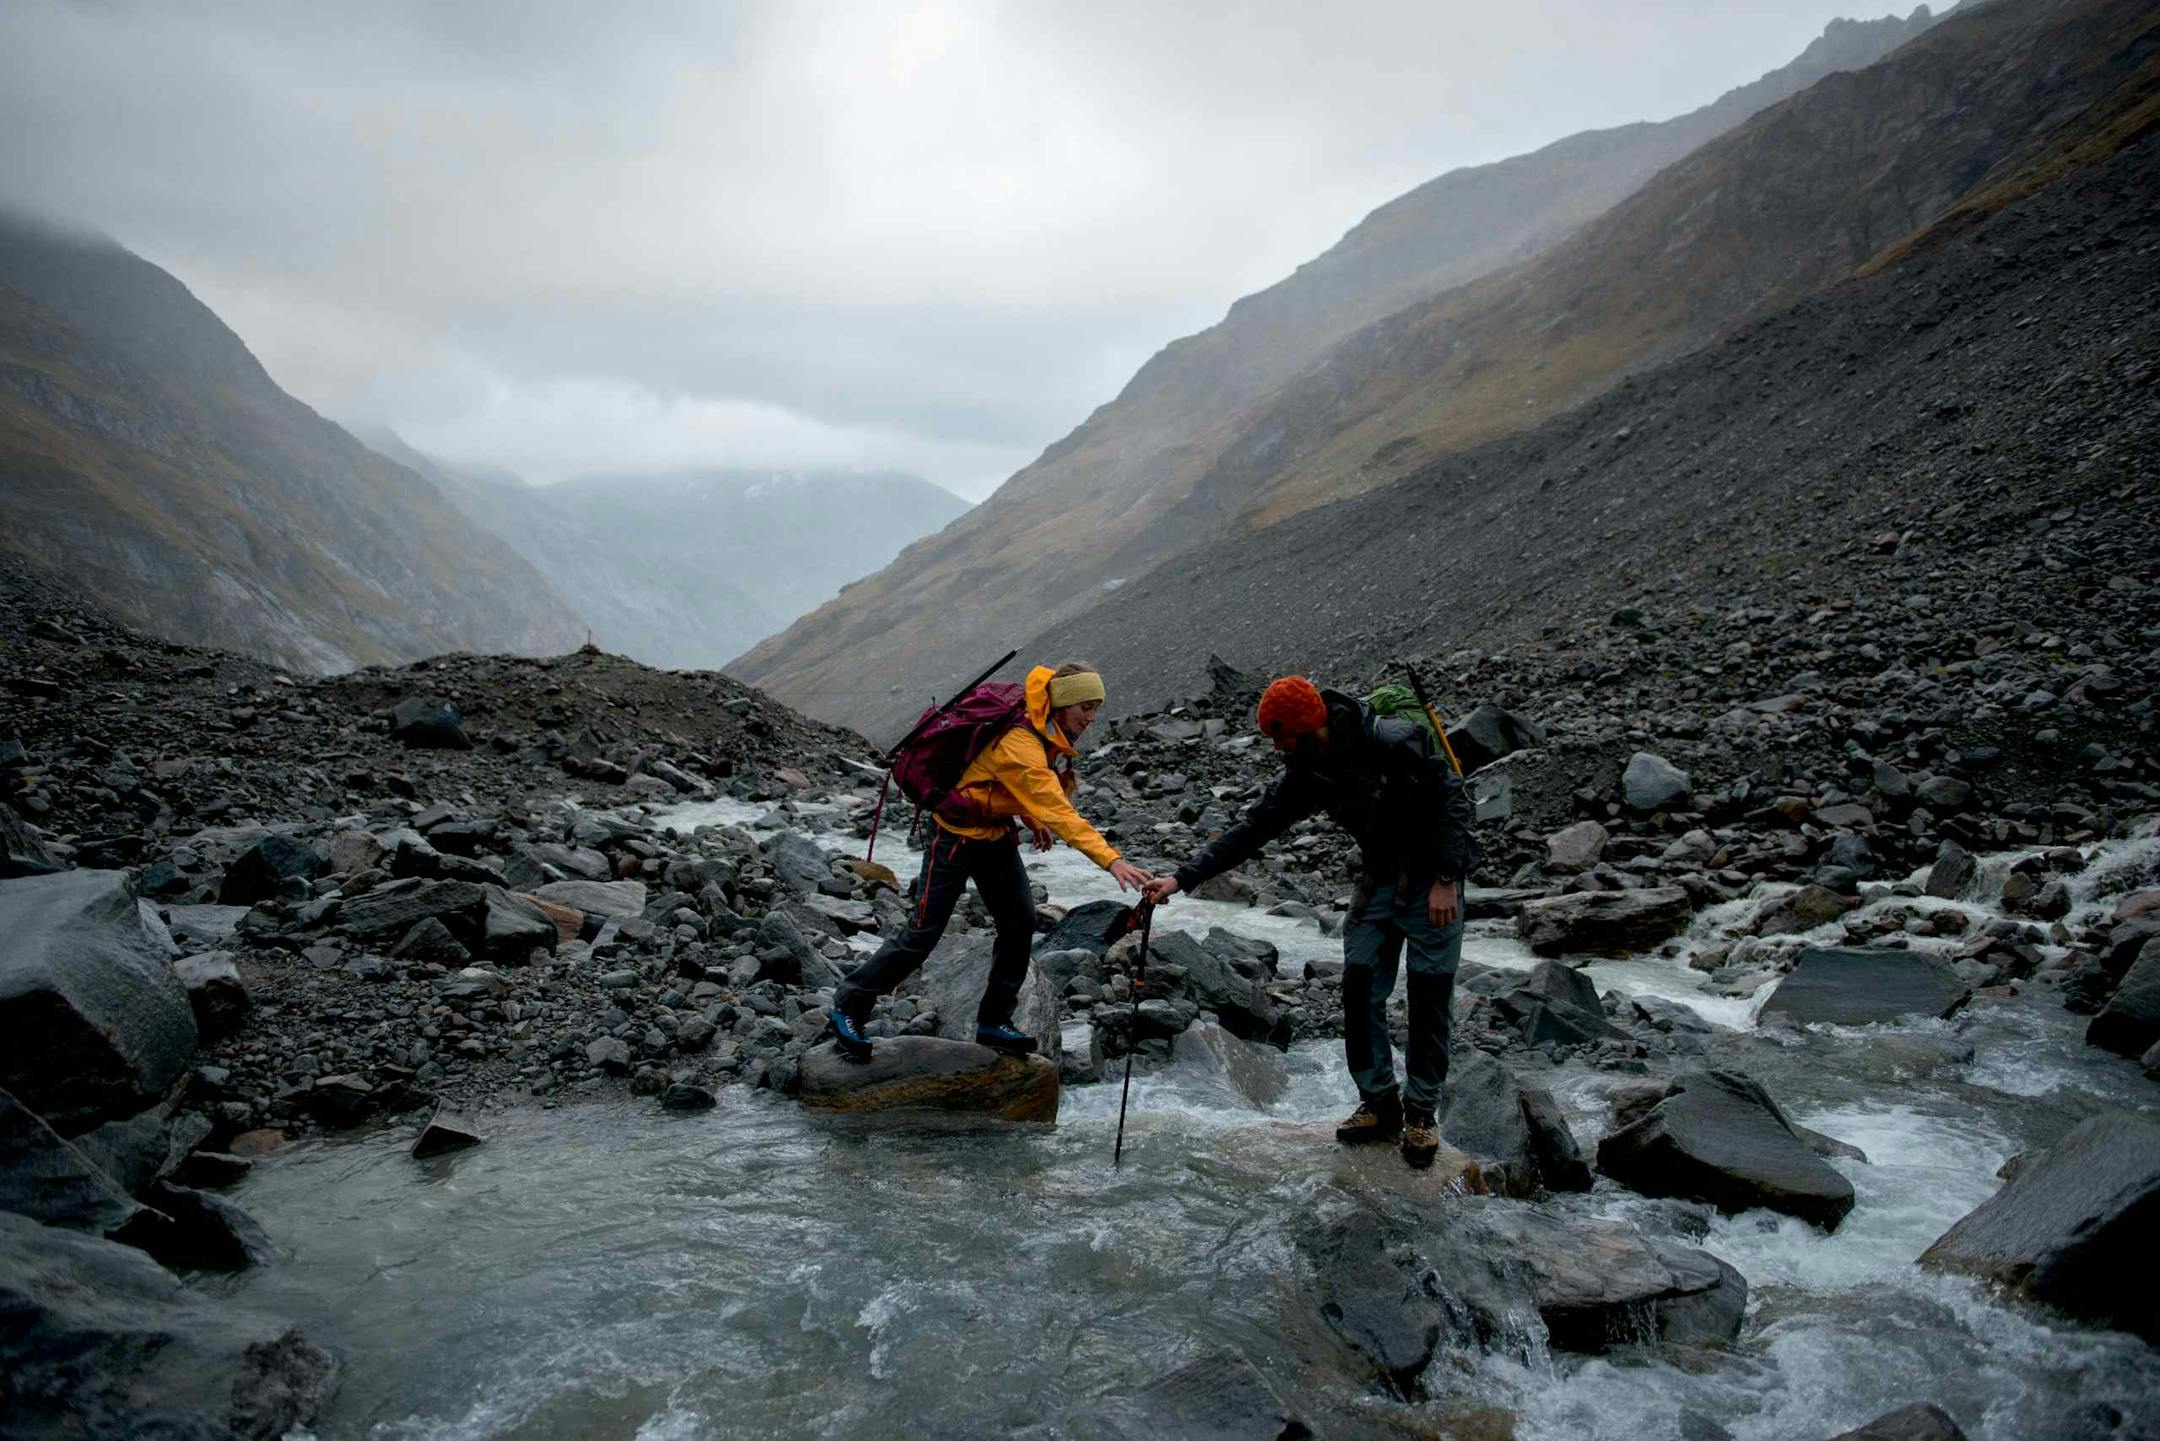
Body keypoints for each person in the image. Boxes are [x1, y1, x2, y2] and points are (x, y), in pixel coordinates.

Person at [1143, 675, 1476, 1168]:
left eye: (1280, 735)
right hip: (1379, 880)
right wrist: (1182, 878)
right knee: (1359, 989)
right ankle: (1380, 1103)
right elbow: (1256, 827)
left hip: (1433, 880)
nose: (1277, 747)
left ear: (1309, 723)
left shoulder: (1395, 742)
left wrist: (1448, 877)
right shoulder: (1308, 770)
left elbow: (1453, 802)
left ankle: (1422, 1116)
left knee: (1428, 998)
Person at [829, 662, 1152, 1060]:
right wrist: (1112, 861)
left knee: (1019, 923)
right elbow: (1058, 809)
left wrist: (1031, 820)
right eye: (1085, 706)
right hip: (954, 837)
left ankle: (993, 1021)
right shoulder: (1022, 742)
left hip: (995, 835)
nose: (1092, 717)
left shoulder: (1043, 730)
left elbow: (1017, 790)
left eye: (1096, 707)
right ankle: (848, 1005)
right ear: (1062, 703)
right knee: (921, 935)